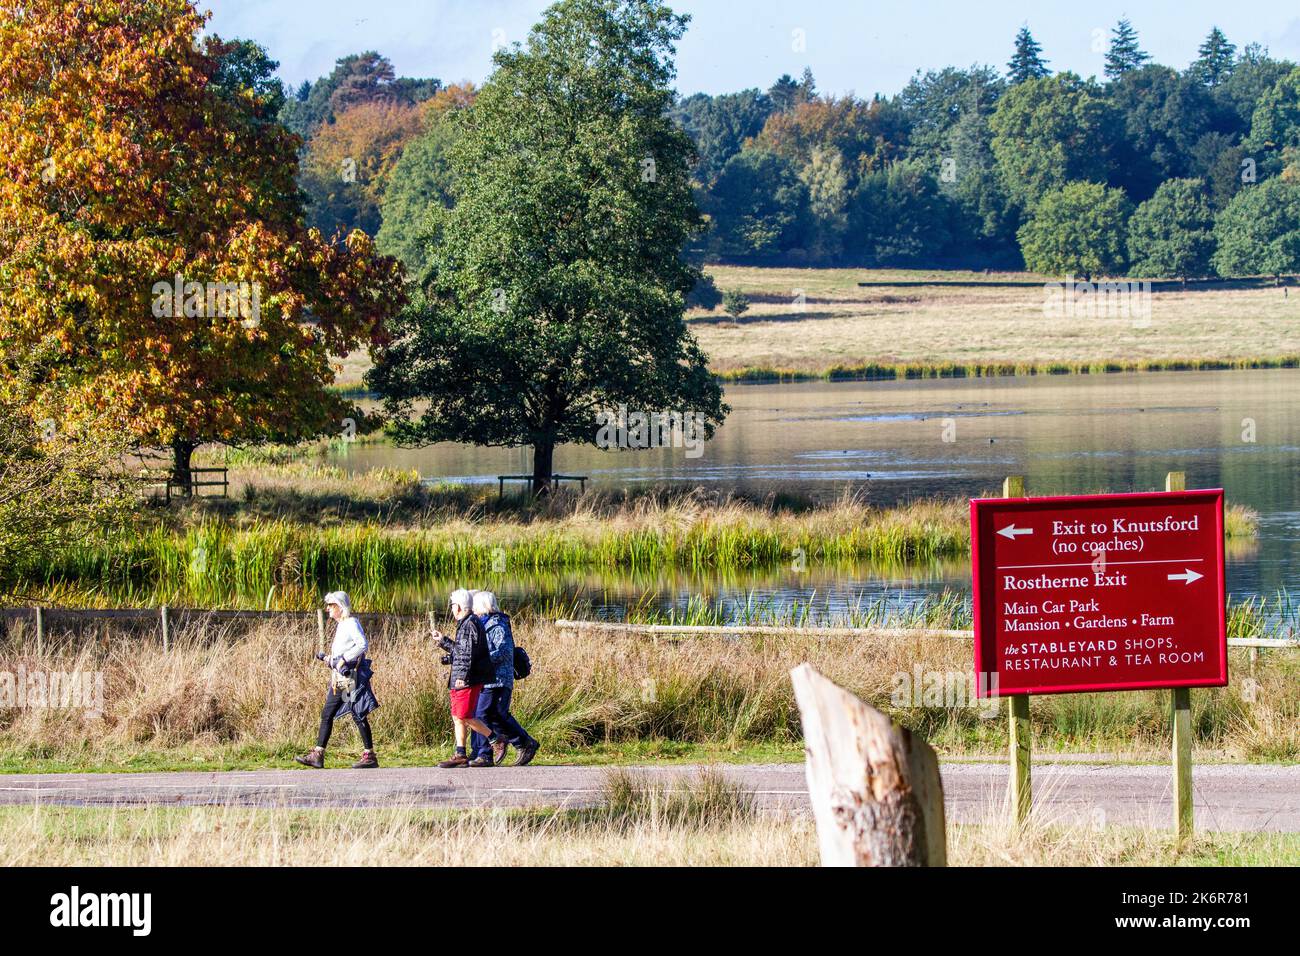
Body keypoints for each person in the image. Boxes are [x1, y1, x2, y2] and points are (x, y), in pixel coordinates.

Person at [295, 591, 380, 769]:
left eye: (331, 606)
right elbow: (344, 651)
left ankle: (368, 756)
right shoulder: (342, 625)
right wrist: (330, 660)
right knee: (331, 713)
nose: (327, 609)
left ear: (340, 607)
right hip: (341, 678)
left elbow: (362, 644)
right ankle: (319, 755)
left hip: (351, 678)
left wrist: (342, 660)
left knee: (355, 714)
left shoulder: (350, 623)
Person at [470, 591, 540, 766]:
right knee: (494, 715)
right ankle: (522, 742)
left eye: (475, 605)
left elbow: (503, 652)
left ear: (483, 605)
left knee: (483, 714)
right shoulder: (482, 624)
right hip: (487, 678)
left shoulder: (498, 624)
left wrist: (480, 659)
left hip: (498, 678)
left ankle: (486, 754)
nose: (473, 609)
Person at [431, 588, 496, 768]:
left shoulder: (469, 624)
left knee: (465, 716)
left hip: (466, 679)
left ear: (458, 607)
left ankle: (496, 740)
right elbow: (461, 651)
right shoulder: (467, 623)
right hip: (461, 677)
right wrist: (442, 640)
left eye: (452, 605)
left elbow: (467, 655)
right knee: (457, 717)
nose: (451, 609)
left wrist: (463, 677)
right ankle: (460, 753)